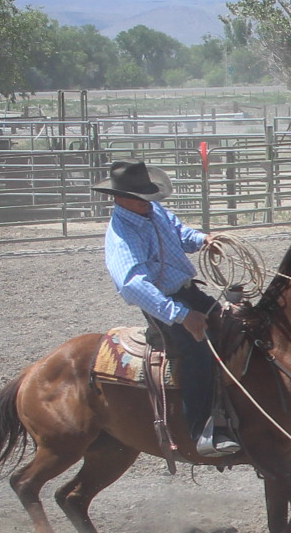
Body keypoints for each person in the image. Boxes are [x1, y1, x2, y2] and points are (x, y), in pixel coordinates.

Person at [96, 160, 238, 457]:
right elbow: (133, 285)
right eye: (142, 199)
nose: (149, 203)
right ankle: (201, 430)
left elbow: (180, 233)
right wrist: (182, 316)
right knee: (198, 348)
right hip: (163, 304)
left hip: (188, 292)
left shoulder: (151, 211)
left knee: (235, 324)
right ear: (123, 199)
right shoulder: (122, 235)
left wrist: (204, 239)